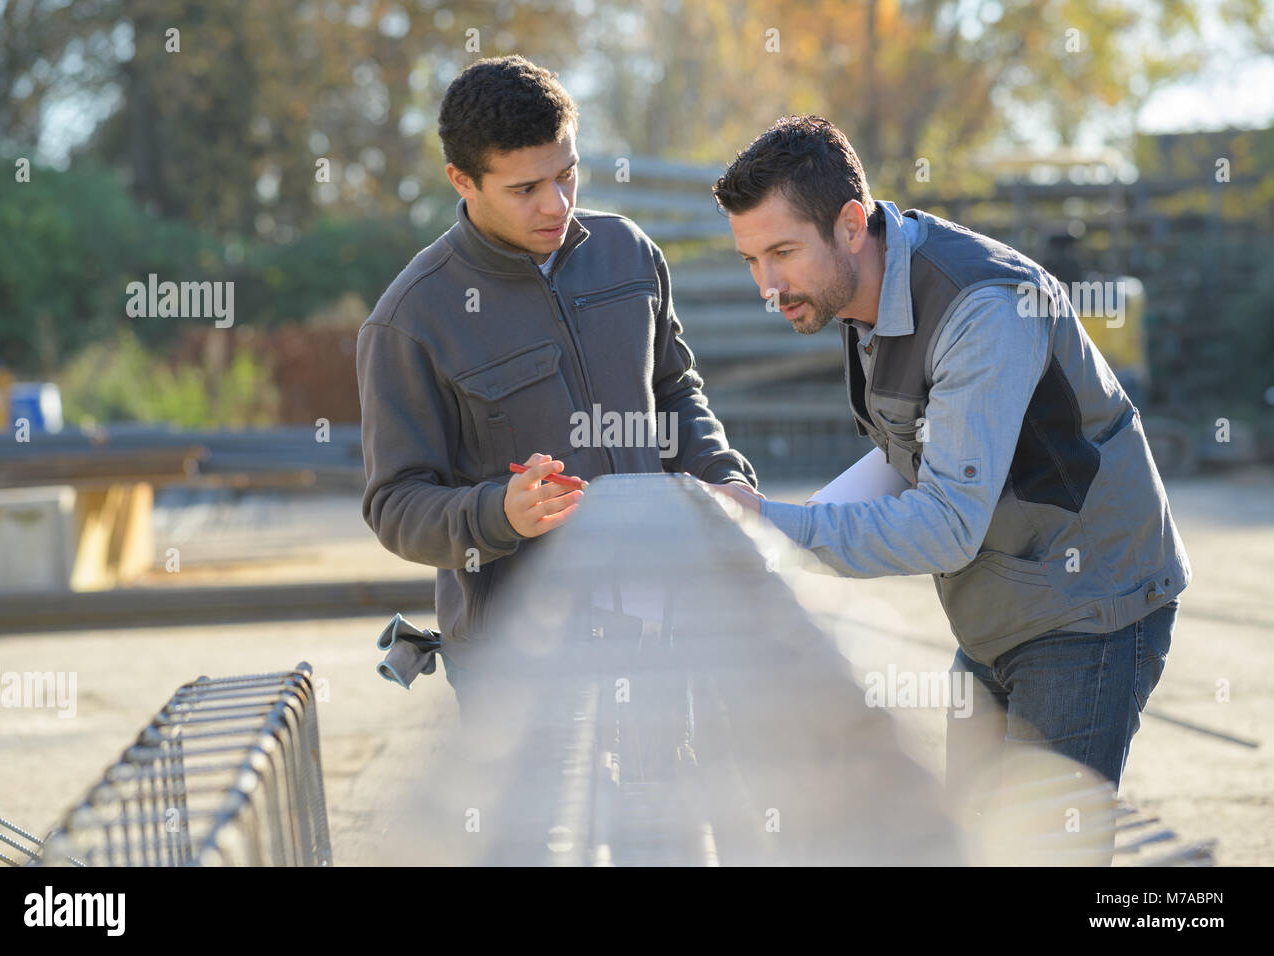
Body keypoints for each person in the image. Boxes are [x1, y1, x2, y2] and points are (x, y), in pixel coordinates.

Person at [702, 115, 1191, 813]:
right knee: (970, 838)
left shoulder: (981, 309)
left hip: (1088, 608)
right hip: (996, 611)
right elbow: (907, 456)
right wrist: (779, 535)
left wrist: (775, 529)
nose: (767, 286)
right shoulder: (862, 294)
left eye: (781, 251)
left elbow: (946, 524)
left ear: (849, 225)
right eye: (751, 260)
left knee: (1041, 852)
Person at [356, 56, 757, 721]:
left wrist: (721, 475)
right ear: (463, 180)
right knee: (533, 832)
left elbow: (675, 390)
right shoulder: (410, 320)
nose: (557, 205)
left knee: (664, 825)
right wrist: (496, 515)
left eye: (568, 174)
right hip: (517, 669)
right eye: (525, 189)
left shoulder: (628, 254)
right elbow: (395, 505)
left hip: (659, 632)